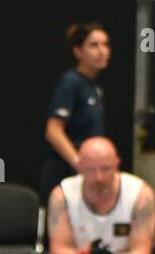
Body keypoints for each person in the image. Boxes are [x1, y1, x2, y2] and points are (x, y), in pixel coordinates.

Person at [39, 22, 109, 201]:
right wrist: (78, 162)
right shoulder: (71, 83)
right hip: (64, 172)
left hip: (86, 174)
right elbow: (53, 130)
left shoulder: (95, 88)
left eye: (105, 44)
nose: (102, 51)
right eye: (94, 45)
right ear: (78, 51)